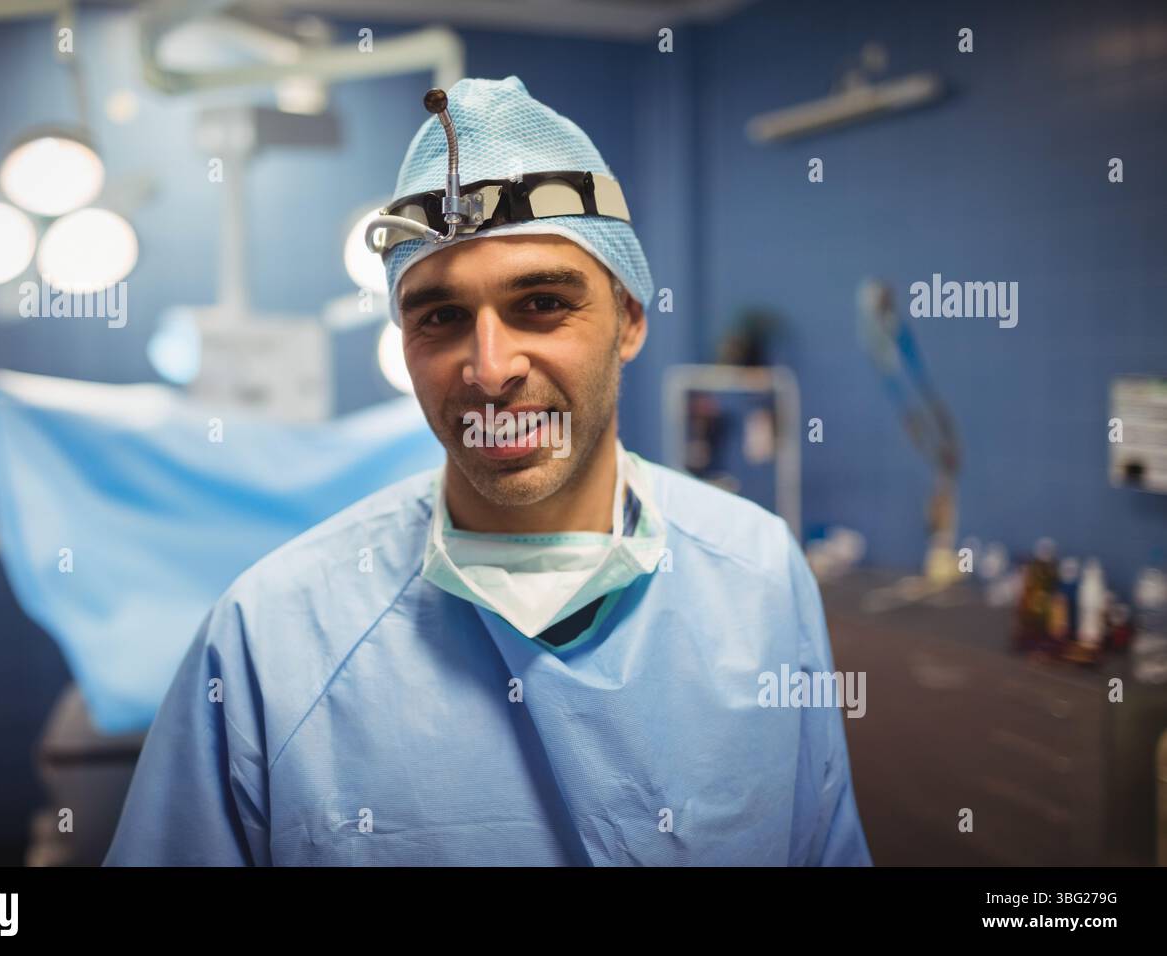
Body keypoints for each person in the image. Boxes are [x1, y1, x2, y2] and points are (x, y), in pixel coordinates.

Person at [105, 75, 872, 866]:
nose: (491, 367)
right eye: (439, 317)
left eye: (541, 302)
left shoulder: (755, 575)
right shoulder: (271, 638)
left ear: (631, 320)